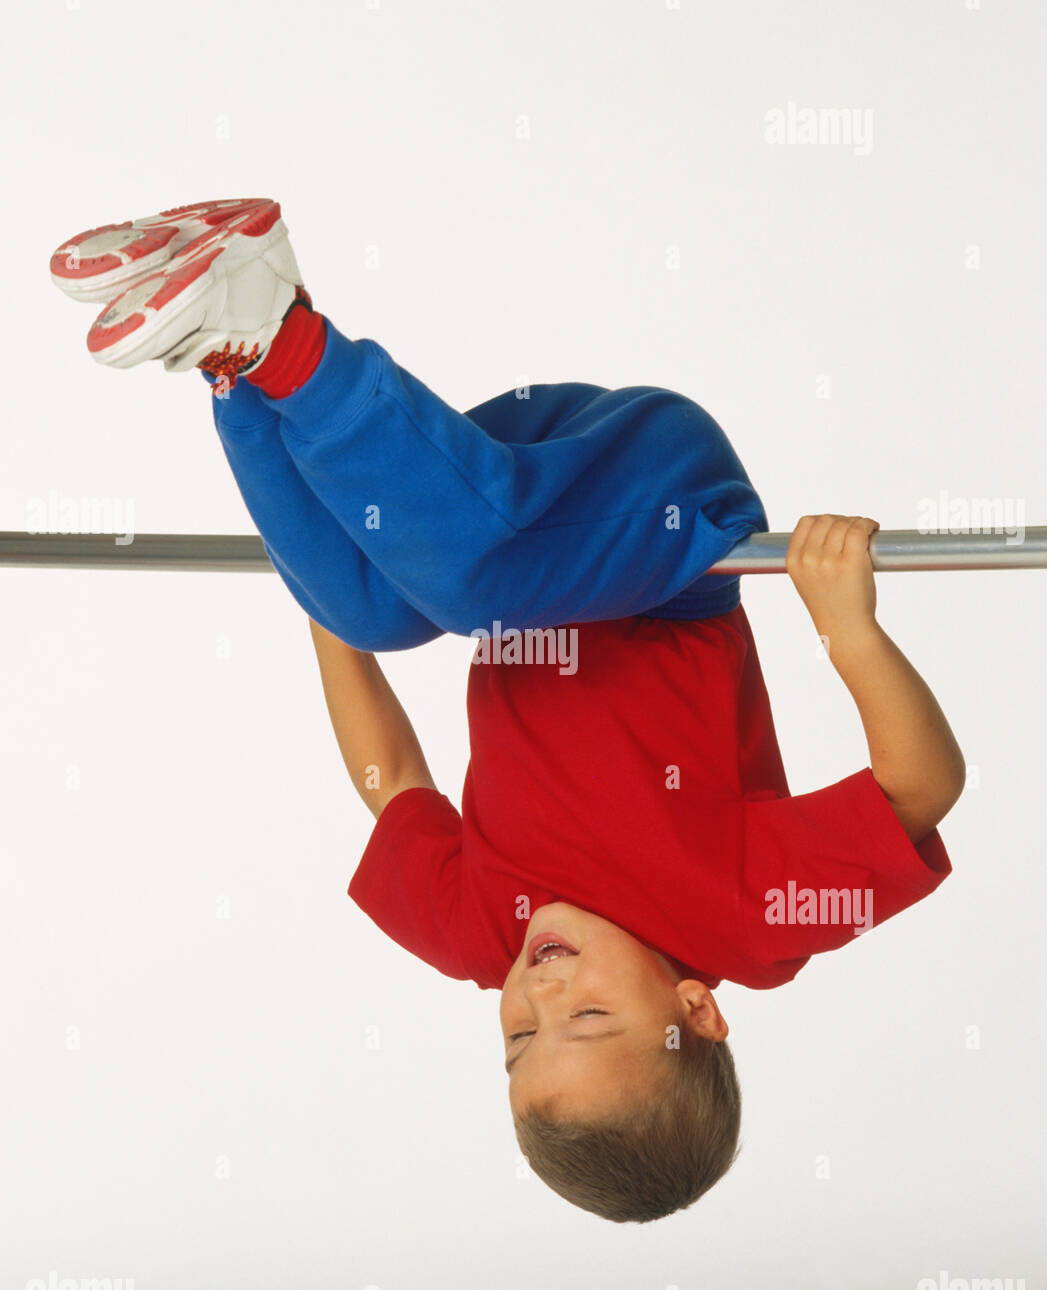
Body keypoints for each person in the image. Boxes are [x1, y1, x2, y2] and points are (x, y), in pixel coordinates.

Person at [50, 198, 964, 1223]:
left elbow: (390, 780)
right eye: (589, 1019)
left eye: (520, 1037)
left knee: (362, 603)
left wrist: (327, 597)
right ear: (694, 1010)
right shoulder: (751, 921)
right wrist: (846, 623)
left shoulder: (478, 929)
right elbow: (923, 788)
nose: (539, 994)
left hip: (492, 499)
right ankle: (282, 331)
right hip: (660, 508)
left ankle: (237, 344)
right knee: (470, 589)